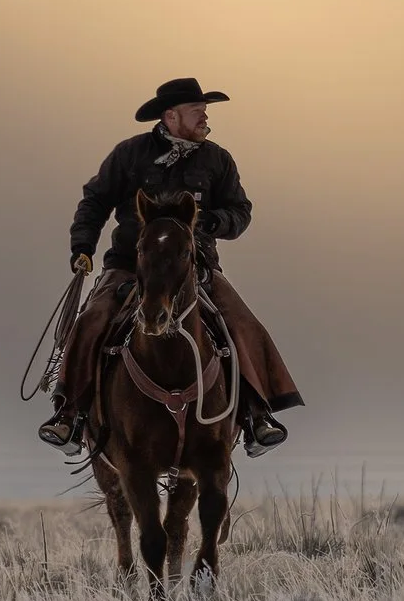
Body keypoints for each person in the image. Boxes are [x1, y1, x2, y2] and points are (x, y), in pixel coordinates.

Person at [38, 77, 302, 456]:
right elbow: (95, 201)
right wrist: (83, 247)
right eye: (198, 111)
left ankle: (256, 415)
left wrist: (213, 223)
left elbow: (240, 211)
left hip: (195, 269)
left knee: (242, 323)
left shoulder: (218, 159)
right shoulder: (129, 154)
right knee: (93, 319)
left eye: (205, 111)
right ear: (170, 116)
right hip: (129, 266)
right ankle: (70, 415)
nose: (205, 118)